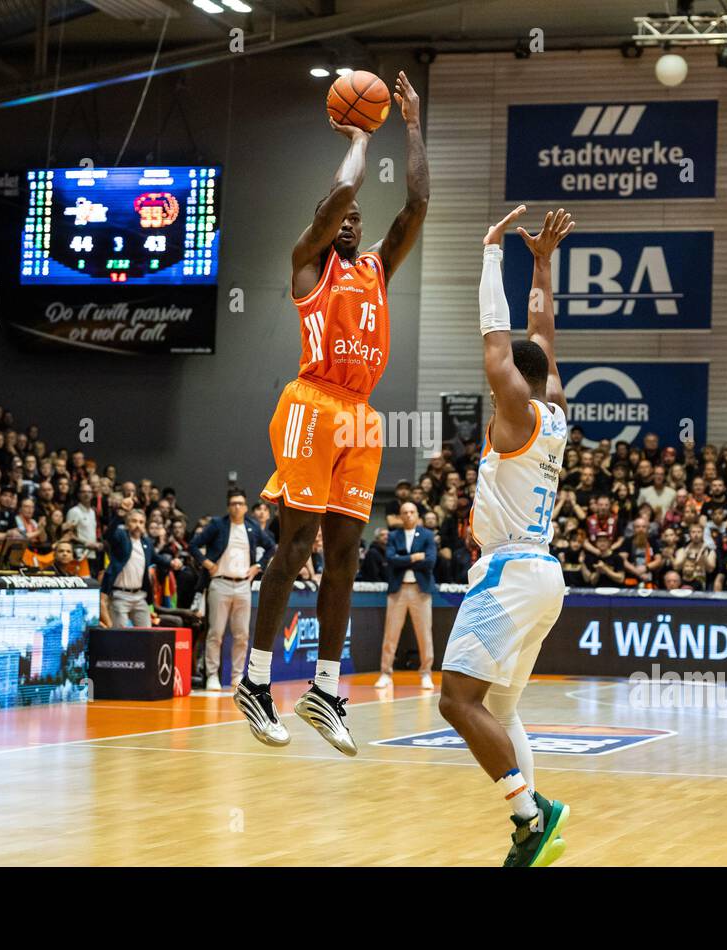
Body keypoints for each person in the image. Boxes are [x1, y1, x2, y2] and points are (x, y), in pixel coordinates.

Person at [235, 71, 429, 754]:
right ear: (322, 224)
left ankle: (326, 689)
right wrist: (357, 135)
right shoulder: (306, 266)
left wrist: (412, 124)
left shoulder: (374, 269)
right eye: (340, 217)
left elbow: (417, 205)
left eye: (356, 221)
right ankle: (255, 683)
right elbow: (343, 192)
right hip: (311, 404)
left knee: (347, 555)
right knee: (295, 546)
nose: (352, 221)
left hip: (360, 417)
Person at [437, 205, 574, 868]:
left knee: (455, 698)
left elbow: (501, 347)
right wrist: (543, 264)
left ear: (516, 386)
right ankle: (537, 817)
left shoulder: (518, 413)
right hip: (543, 575)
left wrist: (493, 253)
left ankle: (529, 816)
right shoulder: (555, 409)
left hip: (511, 574)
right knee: (500, 706)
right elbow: (538, 341)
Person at [190, 489, 276, 691]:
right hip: (220, 583)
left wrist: (258, 566)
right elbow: (194, 544)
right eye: (233, 503)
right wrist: (207, 563)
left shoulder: (252, 527)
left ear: (246, 507)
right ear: (229, 507)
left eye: (240, 503)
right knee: (215, 633)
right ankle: (212, 675)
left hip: (243, 585)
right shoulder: (217, 525)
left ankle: (237, 675)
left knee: (242, 635)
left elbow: (271, 547)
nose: (237, 507)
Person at [375, 501, 437, 689]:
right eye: (405, 512)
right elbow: (391, 560)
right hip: (398, 589)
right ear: (400, 516)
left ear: (417, 515)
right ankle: (386, 673)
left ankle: (426, 673)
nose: (409, 515)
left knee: (424, 633)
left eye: (412, 512)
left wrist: (405, 560)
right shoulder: (394, 536)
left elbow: (430, 561)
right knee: (391, 634)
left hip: (420, 590)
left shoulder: (427, 535)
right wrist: (413, 557)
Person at [100, 502, 159, 628]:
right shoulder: (122, 537)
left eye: (141, 522)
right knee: (119, 636)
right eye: (134, 521)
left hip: (139, 596)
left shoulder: (146, 542)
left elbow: (156, 558)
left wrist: (172, 562)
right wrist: (118, 516)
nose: (138, 525)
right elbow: (108, 535)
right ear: (127, 523)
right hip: (120, 596)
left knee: (147, 635)